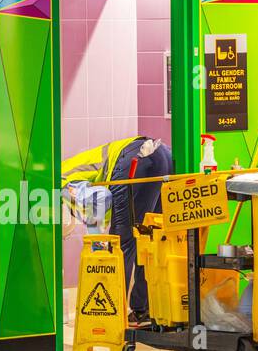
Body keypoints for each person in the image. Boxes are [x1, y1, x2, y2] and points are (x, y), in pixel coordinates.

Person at [61, 135, 174, 322]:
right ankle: (143, 309)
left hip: (137, 159)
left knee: (122, 243)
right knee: (151, 238)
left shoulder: (60, 180)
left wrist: (97, 242)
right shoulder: (70, 171)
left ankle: (111, 314)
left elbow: (98, 198)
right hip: (163, 154)